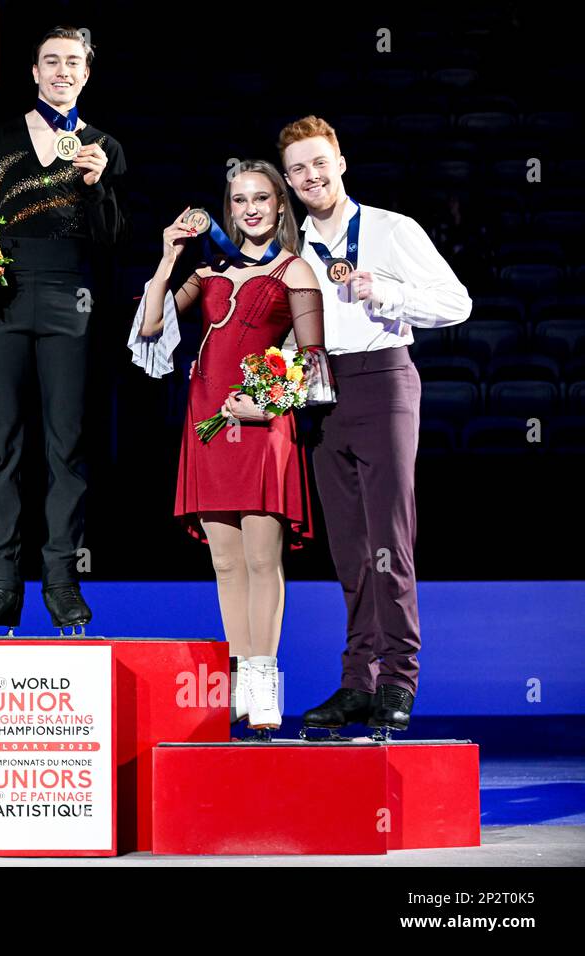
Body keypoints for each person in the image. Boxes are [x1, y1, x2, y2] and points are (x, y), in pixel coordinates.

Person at [278, 116, 471, 737]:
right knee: (349, 546)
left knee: (390, 536)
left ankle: (399, 679)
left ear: (341, 162)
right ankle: (358, 681)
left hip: (384, 380)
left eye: (320, 162)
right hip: (320, 392)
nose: (312, 176)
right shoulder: (294, 249)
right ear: (289, 180)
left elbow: (457, 303)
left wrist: (387, 292)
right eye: (298, 169)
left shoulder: (392, 229)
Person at [128, 160, 334, 735]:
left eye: (262, 199)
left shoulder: (296, 273)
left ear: (279, 206)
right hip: (207, 420)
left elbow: (314, 364)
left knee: (263, 557)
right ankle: (241, 673)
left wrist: (268, 404)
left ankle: (265, 679)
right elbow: (150, 330)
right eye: (239, 200)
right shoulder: (211, 269)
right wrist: (169, 259)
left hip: (264, 426)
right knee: (223, 560)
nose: (250, 209)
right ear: (230, 209)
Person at [0, 26, 126, 636]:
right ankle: (2, 583)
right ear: (34, 71)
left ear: (87, 73)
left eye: (73, 62)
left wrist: (97, 182)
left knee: (67, 446)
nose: (62, 70)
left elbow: (113, 238)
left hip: (71, 302)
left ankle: (61, 582)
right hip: (1, 302)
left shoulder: (103, 145)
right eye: (51, 60)